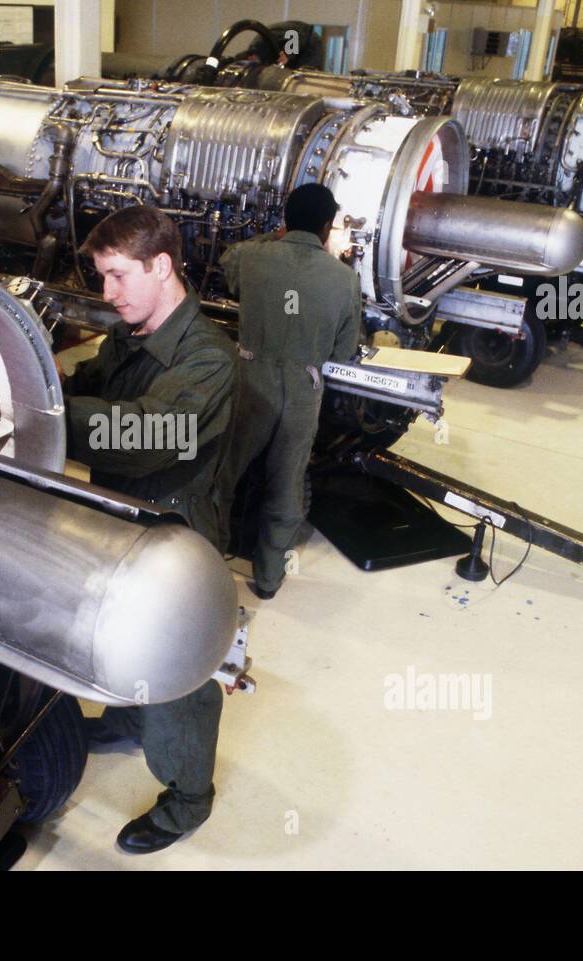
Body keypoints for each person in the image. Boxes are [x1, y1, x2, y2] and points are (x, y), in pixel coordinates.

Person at [61, 205, 236, 854]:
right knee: (117, 638)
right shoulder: (130, 336)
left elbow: (145, 436)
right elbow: (94, 385)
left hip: (177, 537)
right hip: (122, 519)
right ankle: (130, 716)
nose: (106, 293)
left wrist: (49, 411)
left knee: (178, 667)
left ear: (161, 267)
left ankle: (188, 797)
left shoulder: (209, 360)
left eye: (115, 276)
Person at [215, 184, 362, 600]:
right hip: (303, 389)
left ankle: (206, 558)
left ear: (284, 220)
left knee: (223, 475)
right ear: (327, 226)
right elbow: (343, 351)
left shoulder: (252, 256)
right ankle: (268, 578)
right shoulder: (344, 280)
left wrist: (272, 238)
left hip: (250, 378)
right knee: (286, 485)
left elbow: (227, 271)